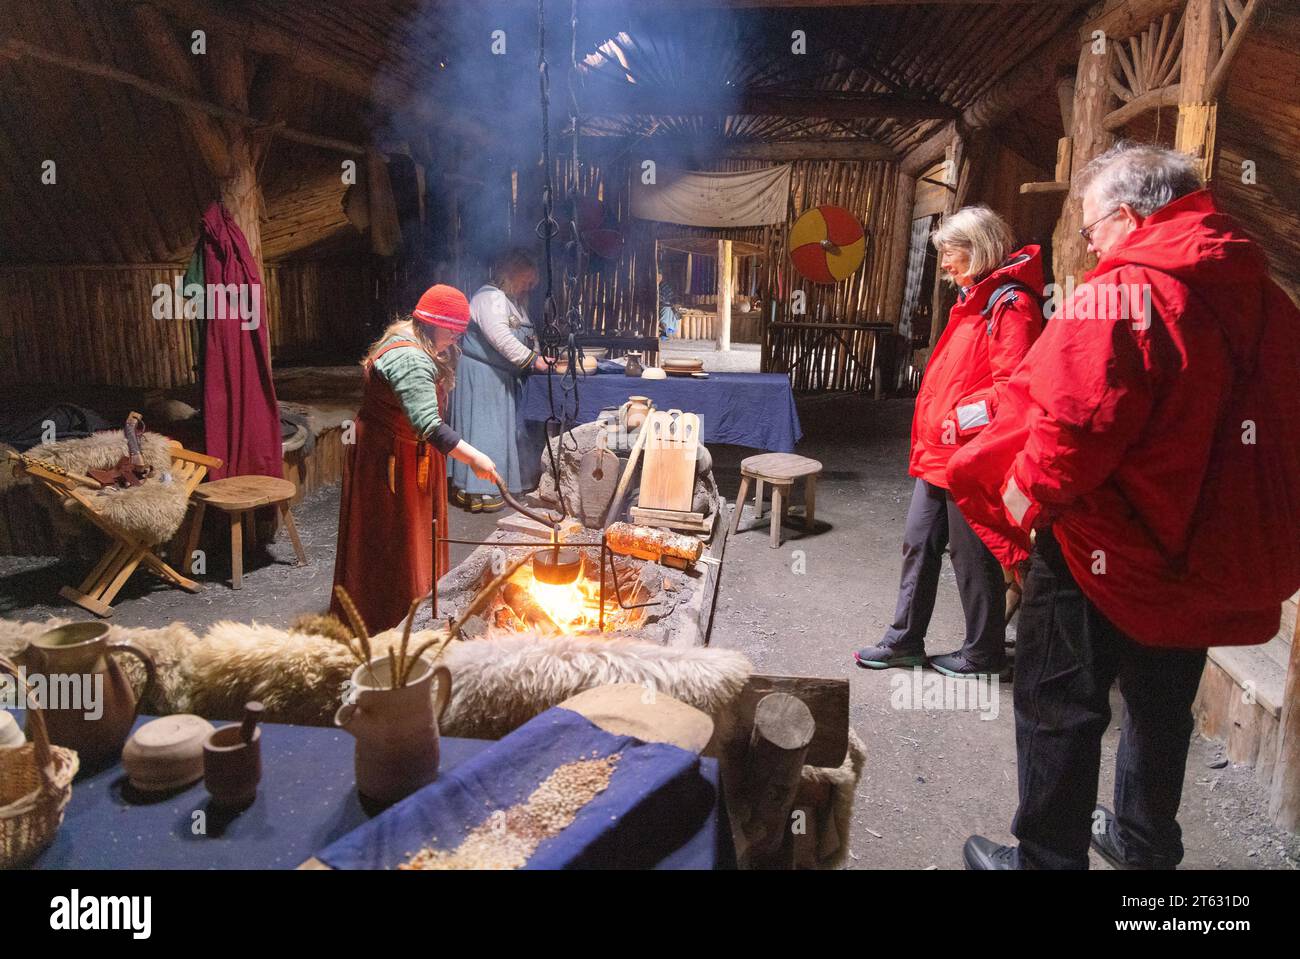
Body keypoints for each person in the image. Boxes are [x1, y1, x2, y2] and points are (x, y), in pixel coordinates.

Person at [950, 142, 1300, 870]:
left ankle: (1046, 858)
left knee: (1060, 705)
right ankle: (1142, 841)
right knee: (1162, 702)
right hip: (1200, 552)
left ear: (1132, 216)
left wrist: (1019, 509)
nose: (1090, 246)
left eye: (1092, 228)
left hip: (1099, 548)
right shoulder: (1267, 299)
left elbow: (1070, 430)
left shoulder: (1126, 291)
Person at [855, 206, 1044, 677]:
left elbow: (1014, 388)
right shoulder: (973, 300)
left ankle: (983, 653)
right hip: (940, 455)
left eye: (950, 252)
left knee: (972, 553)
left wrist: (956, 422)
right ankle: (904, 641)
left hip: (970, 456)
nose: (942, 263)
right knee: (919, 543)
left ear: (978, 249)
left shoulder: (1010, 306)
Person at [331, 285, 500, 633]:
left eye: (458, 333)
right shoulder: (410, 357)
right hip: (389, 461)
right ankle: (389, 620)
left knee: (418, 538)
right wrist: (475, 458)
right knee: (393, 541)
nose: (454, 340)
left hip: (409, 454)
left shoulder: (417, 338)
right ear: (429, 322)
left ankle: (420, 606)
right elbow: (430, 427)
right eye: (450, 331)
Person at [450, 249, 548, 512]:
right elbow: (501, 338)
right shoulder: (489, 298)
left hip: (500, 376)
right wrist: (534, 361)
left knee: (498, 430)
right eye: (527, 281)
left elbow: (530, 337)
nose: (529, 287)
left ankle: (494, 486)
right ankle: (478, 491)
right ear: (513, 272)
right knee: (485, 430)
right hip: (482, 375)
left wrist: (537, 355)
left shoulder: (514, 303)